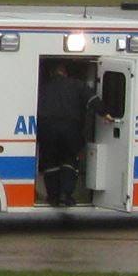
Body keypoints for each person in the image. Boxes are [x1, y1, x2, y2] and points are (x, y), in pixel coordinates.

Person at [36, 60, 90, 206]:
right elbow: (92, 100)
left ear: (52, 73)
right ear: (65, 72)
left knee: (50, 164)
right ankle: (66, 195)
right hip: (70, 130)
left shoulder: (43, 87)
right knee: (69, 162)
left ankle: (53, 197)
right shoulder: (77, 85)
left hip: (47, 130)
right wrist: (106, 113)